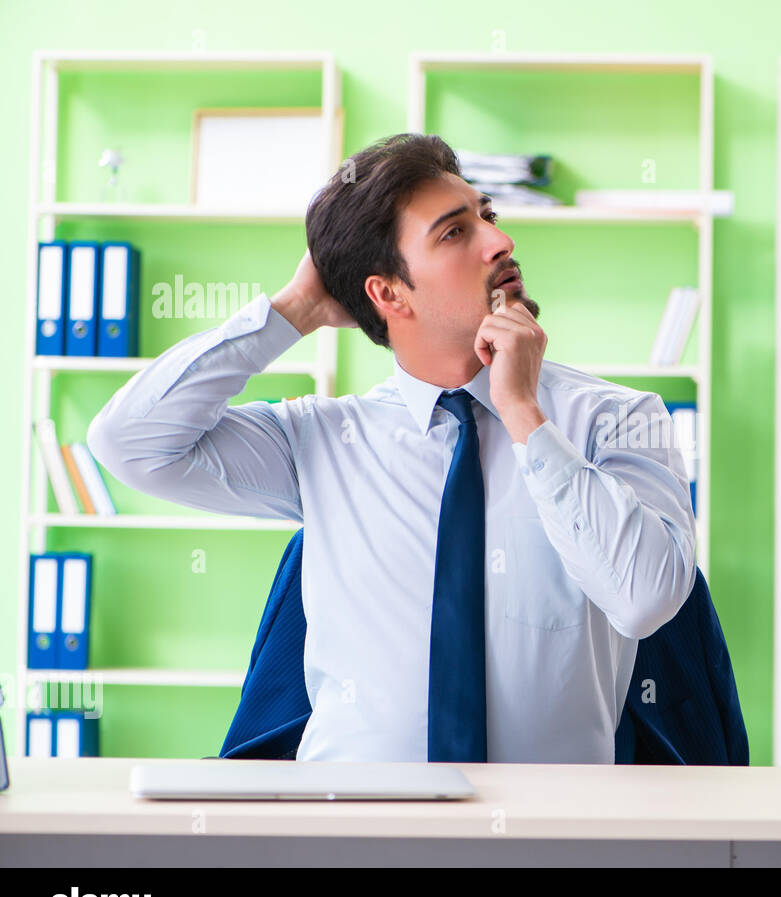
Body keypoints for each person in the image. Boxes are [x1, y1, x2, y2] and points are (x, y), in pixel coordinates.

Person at [87, 133, 697, 764]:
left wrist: (523, 412)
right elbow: (128, 441)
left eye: (487, 215)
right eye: (454, 233)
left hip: (549, 817)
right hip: (349, 812)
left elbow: (645, 598)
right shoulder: (323, 440)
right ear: (387, 294)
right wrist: (296, 308)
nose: (500, 241)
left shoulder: (618, 419)